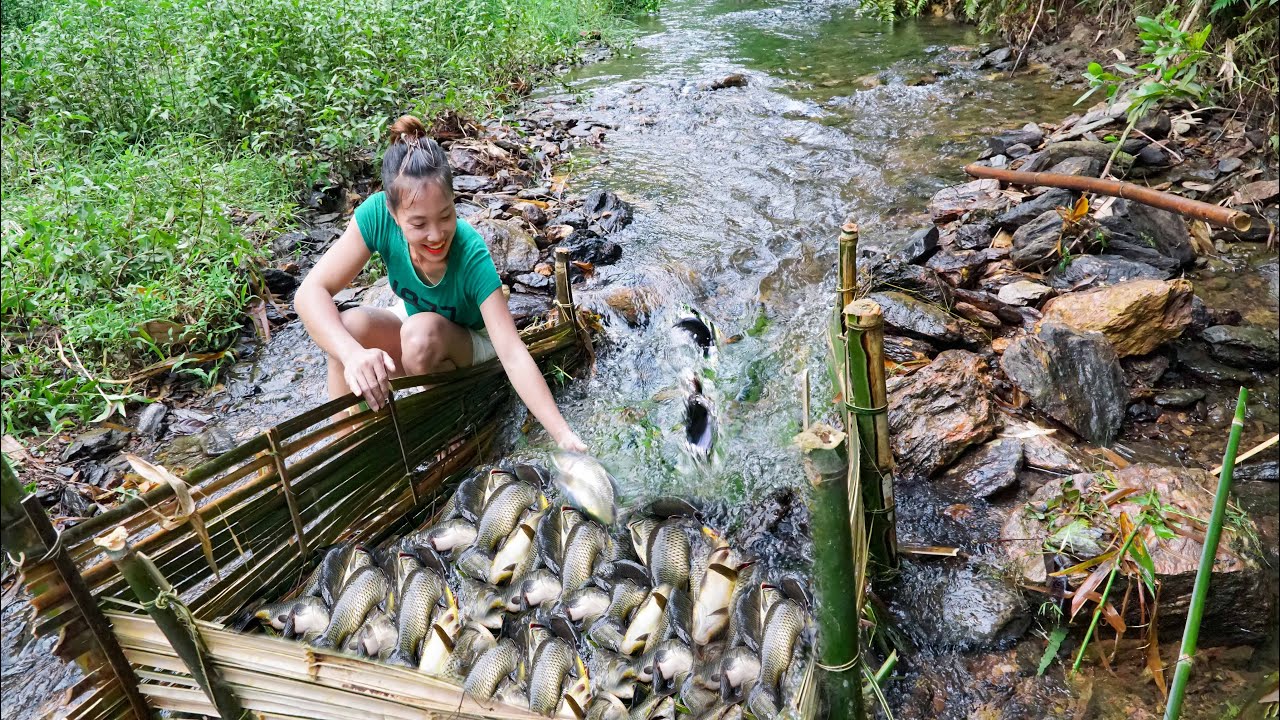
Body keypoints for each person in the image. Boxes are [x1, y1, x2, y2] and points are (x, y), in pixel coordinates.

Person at [295, 115, 587, 452]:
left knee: (421, 333)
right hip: (414, 327)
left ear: (453, 202)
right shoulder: (376, 216)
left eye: (446, 216)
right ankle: (351, 449)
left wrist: (562, 434)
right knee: (347, 327)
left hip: (469, 347)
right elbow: (309, 294)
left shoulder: (470, 250)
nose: (436, 236)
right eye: (419, 224)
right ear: (393, 214)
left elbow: (511, 352)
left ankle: (445, 431)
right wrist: (352, 354)